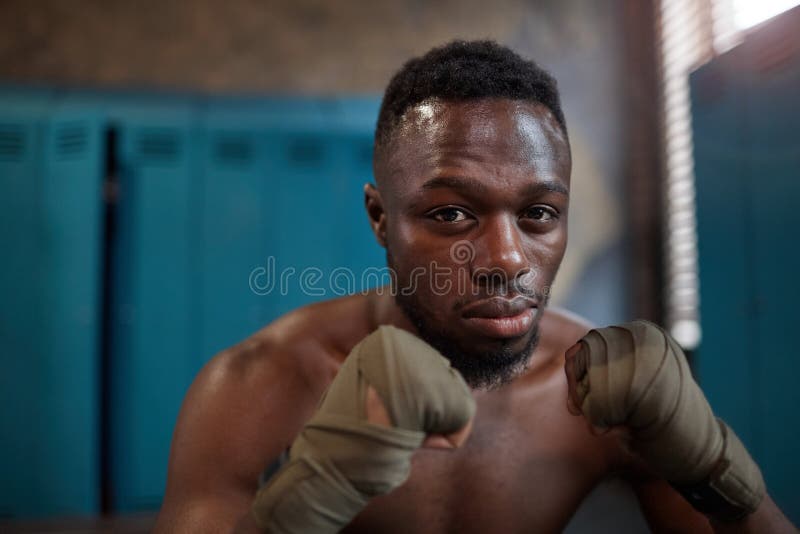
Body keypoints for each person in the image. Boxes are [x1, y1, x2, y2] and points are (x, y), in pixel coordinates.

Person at [154, 41, 795, 533]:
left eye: (539, 214)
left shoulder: (604, 396)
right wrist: (303, 505)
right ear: (381, 218)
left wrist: (724, 479)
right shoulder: (264, 381)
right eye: (453, 213)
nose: (507, 260)